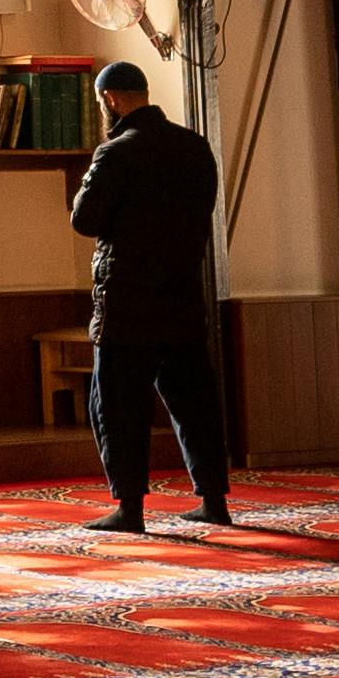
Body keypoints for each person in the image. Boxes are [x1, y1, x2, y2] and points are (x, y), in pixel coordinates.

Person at [64, 58, 233, 533]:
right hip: (182, 293)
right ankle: (214, 500)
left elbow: (84, 220)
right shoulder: (194, 147)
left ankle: (130, 508)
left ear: (110, 100)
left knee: (118, 404)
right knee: (194, 401)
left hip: (127, 301)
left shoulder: (116, 151)